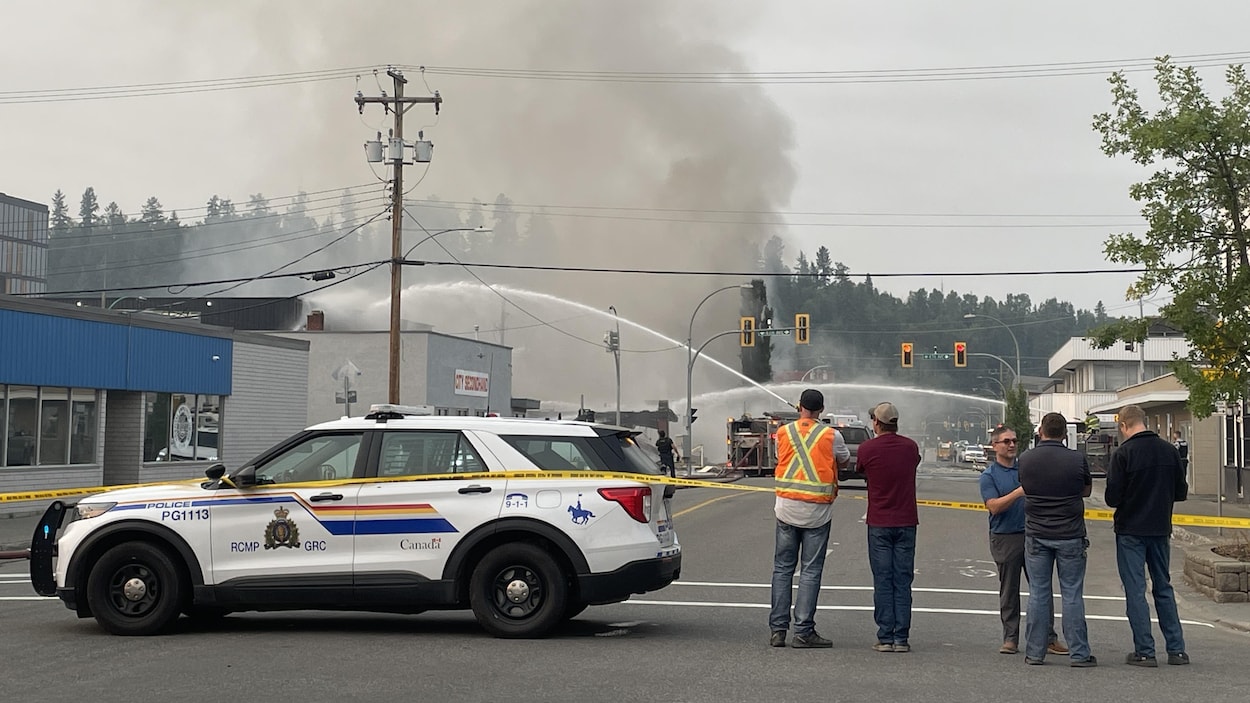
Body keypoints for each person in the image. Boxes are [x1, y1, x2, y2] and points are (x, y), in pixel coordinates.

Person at [1107, 405, 1190, 667]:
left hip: (1131, 530)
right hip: (1160, 528)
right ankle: (1176, 650)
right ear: (1144, 422)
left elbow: (1112, 498)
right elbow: (1181, 492)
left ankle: (1145, 651)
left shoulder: (1124, 454)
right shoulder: (1169, 451)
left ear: (1124, 426)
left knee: (1136, 589)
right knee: (1163, 586)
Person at [769, 388, 850, 648]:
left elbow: (780, 458)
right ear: (821, 410)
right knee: (810, 571)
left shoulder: (783, 432)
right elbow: (844, 461)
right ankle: (803, 631)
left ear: (799, 406)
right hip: (816, 512)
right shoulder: (832, 435)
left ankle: (778, 629)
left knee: (782, 569)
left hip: (786, 508)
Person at [979, 424, 1067, 656]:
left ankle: (1048, 637)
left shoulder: (1027, 468)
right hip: (1005, 537)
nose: (1011, 445)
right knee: (1009, 589)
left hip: (1034, 535)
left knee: (1042, 588)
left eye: (1014, 441)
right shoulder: (989, 476)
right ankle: (1010, 638)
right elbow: (994, 507)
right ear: (994, 446)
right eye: (1006, 441)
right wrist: (1020, 492)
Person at [1018, 412, 1097, 667]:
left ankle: (1034, 653)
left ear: (1041, 431)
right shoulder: (1076, 459)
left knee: (1038, 593)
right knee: (1072, 593)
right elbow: (1085, 489)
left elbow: (1026, 487)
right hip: (1070, 533)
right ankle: (1079, 654)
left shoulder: (1026, 459)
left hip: (1037, 533)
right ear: (1065, 434)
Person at [857, 402, 921, 653]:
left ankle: (885, 636)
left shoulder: (867, 448)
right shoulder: (910, 447)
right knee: (903, 580)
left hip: (879, 522)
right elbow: (913, 463)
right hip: (906, 521)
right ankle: (901, 638)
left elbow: (860, 469)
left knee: (883, 579)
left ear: (876, 422)